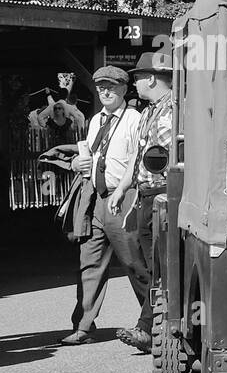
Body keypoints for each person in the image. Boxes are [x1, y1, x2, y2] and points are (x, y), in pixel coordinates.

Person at [62, 67, 149, 346]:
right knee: (89, 263)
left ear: (124, 89)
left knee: (135, 264)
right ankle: (83, 326)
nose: (105, 92)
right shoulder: (96, 120)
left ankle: (152, 326)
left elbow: (139, 160)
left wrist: (124, 191)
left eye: (111, 87)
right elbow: (89, 154)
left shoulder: (135, 119)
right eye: (100, 88)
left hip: (123, 198)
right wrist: (77, 163)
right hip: (96, 197)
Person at [109, 50, 174, 352]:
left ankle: (149, 328)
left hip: (164, 194)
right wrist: (126, 190)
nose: (134, 83)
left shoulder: (173, 109)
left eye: (137, 77)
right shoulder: (149, 110)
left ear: (151, 77)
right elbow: (140, 155)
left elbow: (168, 155)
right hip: (146, 195)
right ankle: (152, 325)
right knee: (146, 262)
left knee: (159, 265)